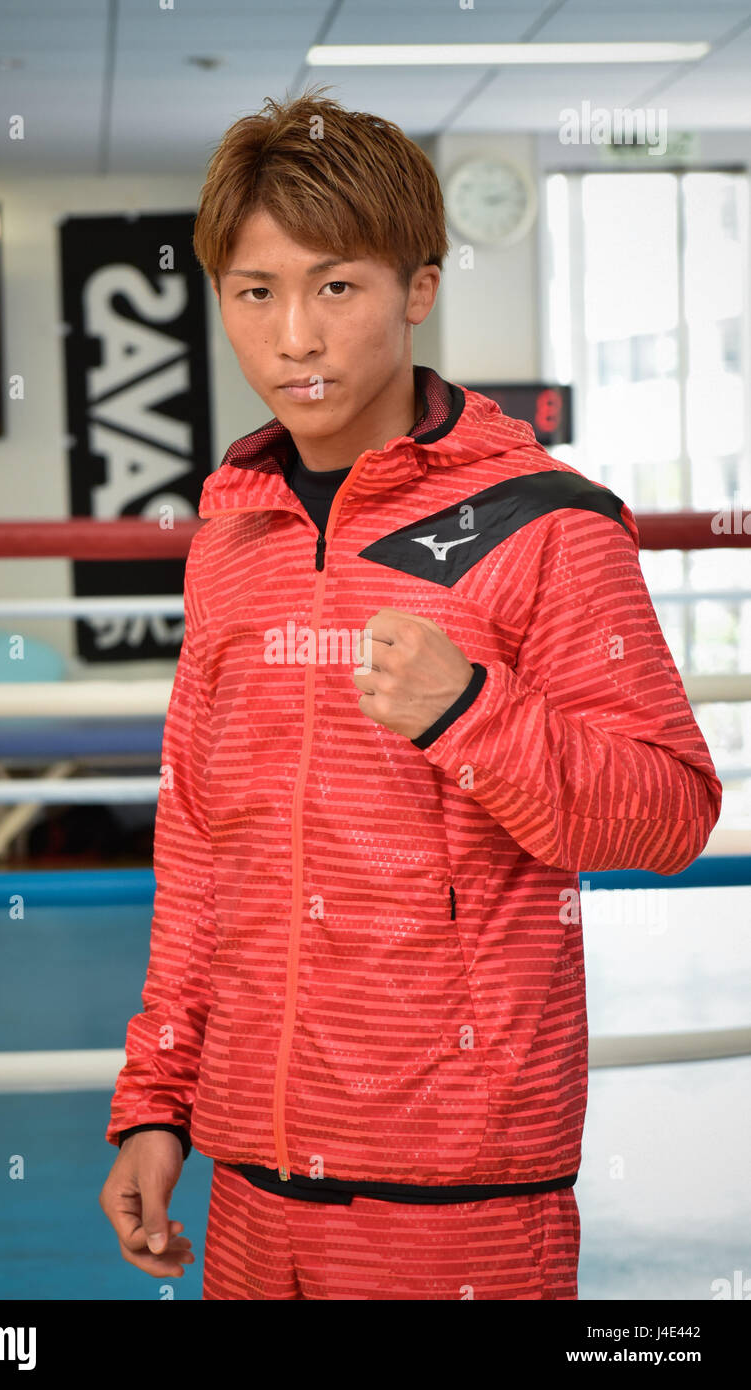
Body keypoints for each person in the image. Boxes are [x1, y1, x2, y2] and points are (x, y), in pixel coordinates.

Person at [98, 87, 722, 1300]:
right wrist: (158, 1096)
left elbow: (669, 812)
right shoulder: (232, 530)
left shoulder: (546, 523)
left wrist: (469, 715)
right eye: (253, 291)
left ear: (416, 289)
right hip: (250, 1178)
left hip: (460, 1193)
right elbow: (198, 839)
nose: (294, 338)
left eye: (336, 287)